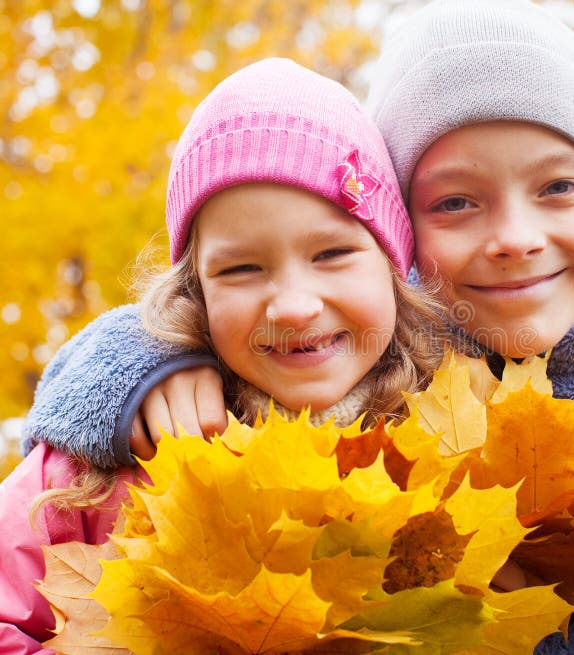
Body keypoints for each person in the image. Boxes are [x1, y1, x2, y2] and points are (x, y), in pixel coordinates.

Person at [16, 0, 574, 653]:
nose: (514, 237)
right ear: (400, 238)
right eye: (455, 202)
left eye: (559, 187)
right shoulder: (394, 366)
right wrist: (141, 364)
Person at [0, 57, 449, 652]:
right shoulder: (99, 467)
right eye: (241, 268)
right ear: (196, 292)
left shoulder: (451, 439)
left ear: (394, 266)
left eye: (333, 254)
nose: (293, 306)